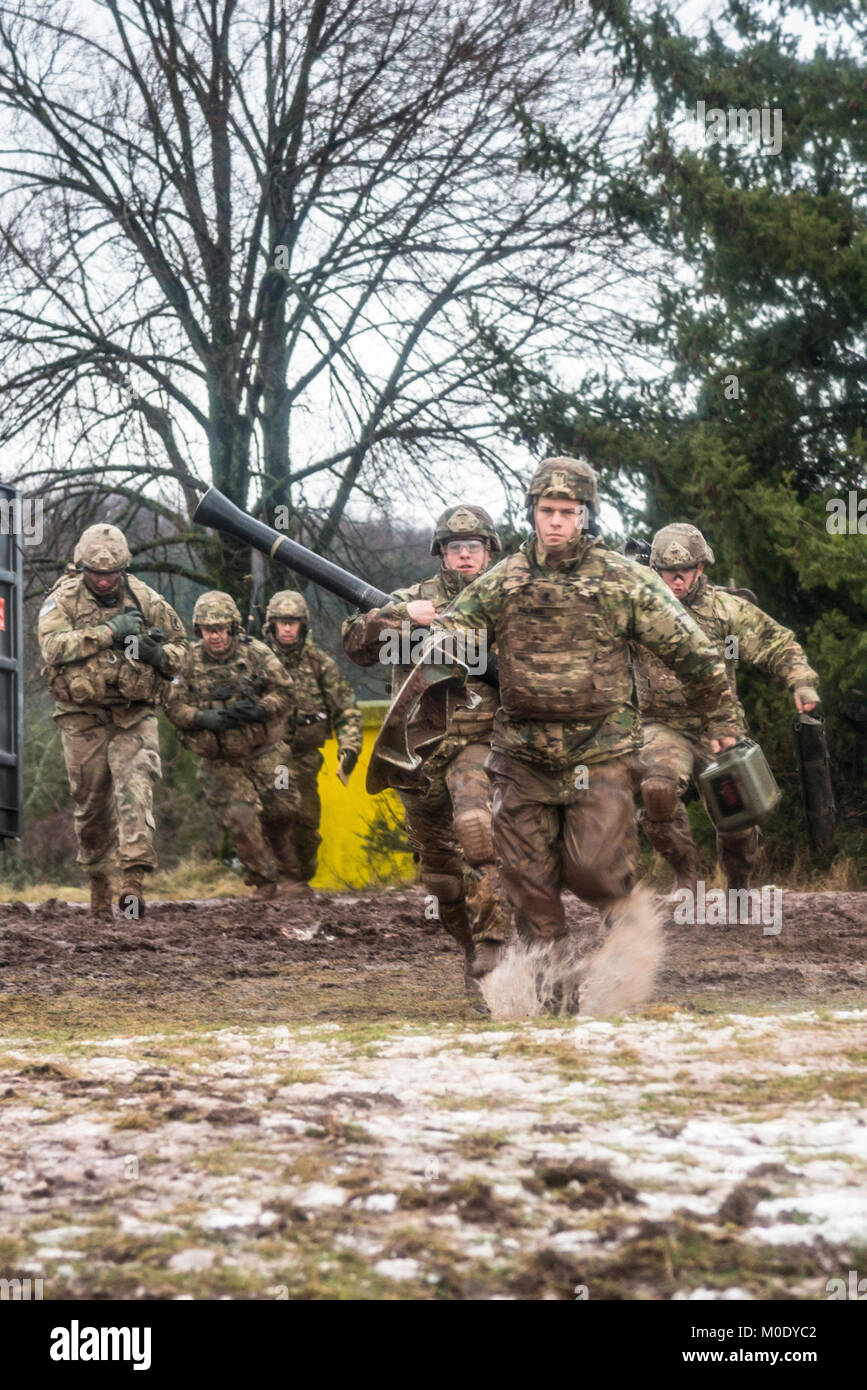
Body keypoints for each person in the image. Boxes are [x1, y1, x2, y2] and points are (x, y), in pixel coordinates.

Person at [431, 459, 741, 982]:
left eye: (567, 512)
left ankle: (626, 930)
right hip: (522, 755)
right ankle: (555, 979)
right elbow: (455, 628)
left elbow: (692, 649)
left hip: (600, 753)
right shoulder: (503, 581)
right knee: (528, 880)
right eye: (546, 511)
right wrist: (431, 630)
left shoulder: (623, 580)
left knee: (593, 870)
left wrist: (720, 714)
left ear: (585, 516)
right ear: (532, 513)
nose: (555, 522)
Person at [342, 504, 513, 994]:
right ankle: (471, 950)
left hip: (480, 741)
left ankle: (495, 949)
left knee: (478, 830)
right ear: (441, 552)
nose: (464, 555)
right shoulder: (413, 600)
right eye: (455, 547)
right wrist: (401, 617)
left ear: (488, 551)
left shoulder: (505, 599)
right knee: (440, 877)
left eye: (473, 547)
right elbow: (354, 642)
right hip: (417, 751)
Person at [634, 522, 820, 891]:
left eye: (683, 572)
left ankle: (737, 883)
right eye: (667, 573)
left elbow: (777, 643)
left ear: (700, 568)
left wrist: (801, 680)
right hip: (662, 724)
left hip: (719, 726)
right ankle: (685, 873)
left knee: (739, 817)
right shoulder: (639, 607)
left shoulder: (725, 611)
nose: (675, 581)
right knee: (657, 790)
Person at [38, 522, 188, 919]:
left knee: (136, 788)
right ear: (82, 569)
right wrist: (108, 631)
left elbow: (182, 650)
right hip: (82, 718)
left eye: (111, 573)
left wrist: (158, 655)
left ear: (123, 568)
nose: (104, 581)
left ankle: (133, 882)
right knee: (90, 807)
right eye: (96, 574)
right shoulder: (63, 599)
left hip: (133, 714)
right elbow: (52, 647)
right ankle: (99, 882)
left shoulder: (145, 598)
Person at [164, 591, 305, 900]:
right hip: (221, 760)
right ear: (198, 630)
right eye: (208, 629)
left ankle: (291, 874)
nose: (215, 636)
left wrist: (262, 709)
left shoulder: (256, 653)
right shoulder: (187, 660)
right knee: (241, 818)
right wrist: (202, 717)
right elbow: (172, 707)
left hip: (267, 753)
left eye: (221, 628)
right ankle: (263, 881)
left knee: (284, 808)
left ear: (233, 627)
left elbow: (285, 691)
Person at [263, 589, 363, 891]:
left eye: (293, 622)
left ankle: (300, 876)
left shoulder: (320, 663)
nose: (287, 628)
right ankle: (284, 878)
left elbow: (345, 708)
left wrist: (349, 747)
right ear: (272, 625)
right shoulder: (258, 662)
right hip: (272, 757)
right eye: (281, 622)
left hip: (307, 757)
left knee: (306, 822)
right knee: (280, 810)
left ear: (303, 625)